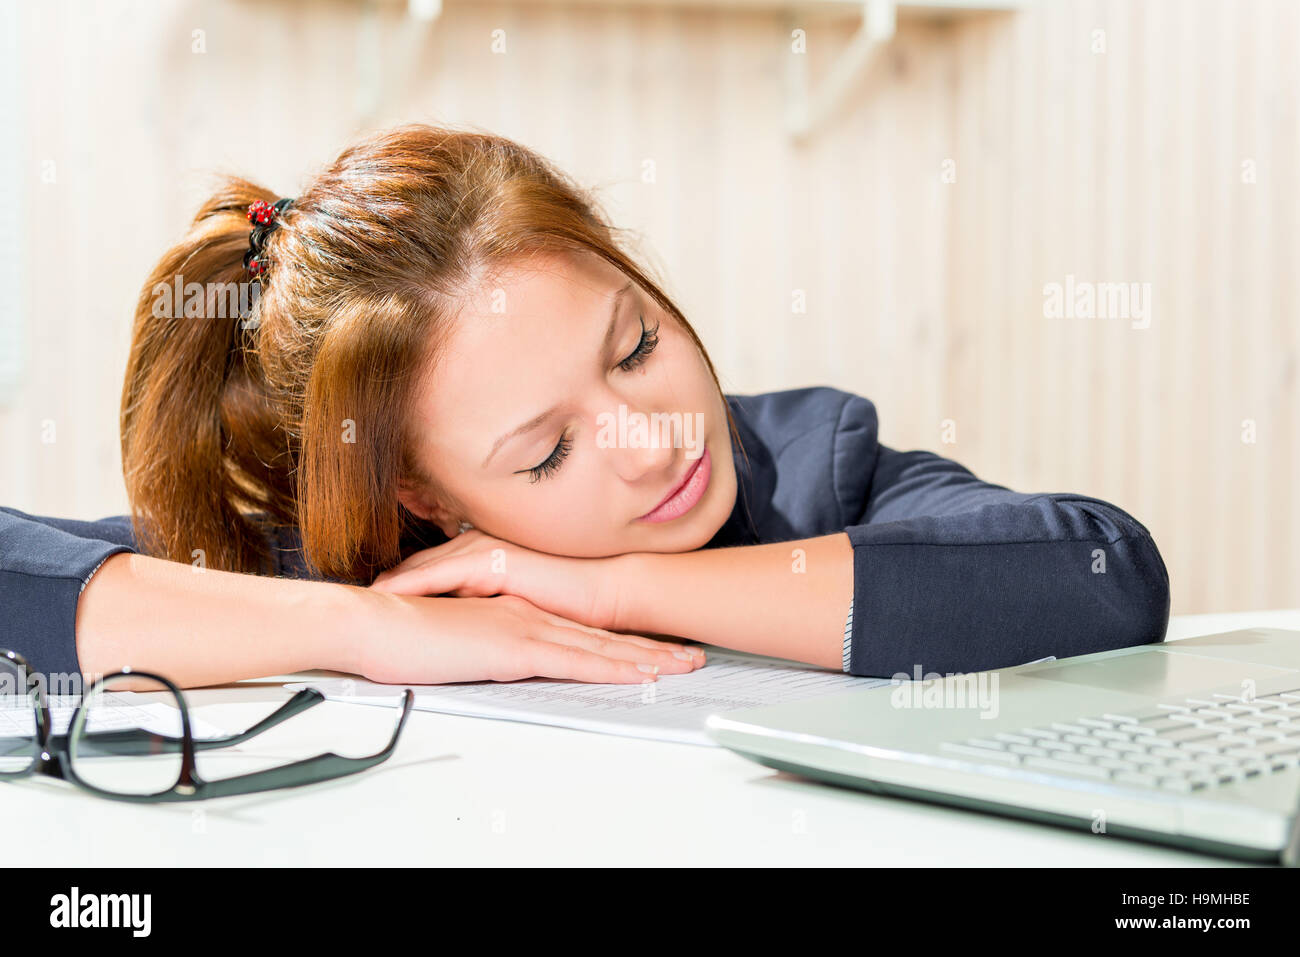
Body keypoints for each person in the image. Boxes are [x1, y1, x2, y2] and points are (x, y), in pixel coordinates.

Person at [0, 122, 1171, 692]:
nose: (648, 437)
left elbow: (1105, 575)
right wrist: (366, 630)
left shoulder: (819, 461)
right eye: (548, 452)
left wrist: (607, 587)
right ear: (423, 496)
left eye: (637, 346)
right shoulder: (366, 567)